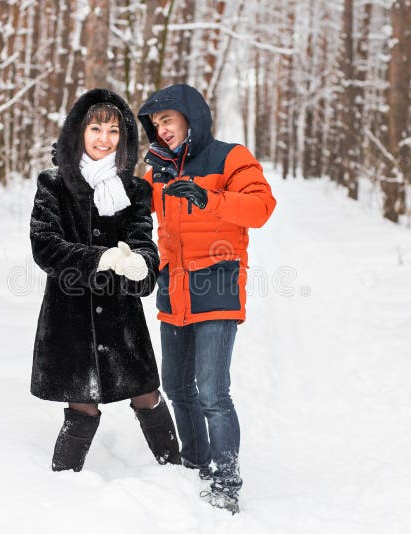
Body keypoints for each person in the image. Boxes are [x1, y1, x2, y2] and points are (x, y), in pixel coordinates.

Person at [137, 84, 276, 513]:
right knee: (178, 386)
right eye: (155, 125)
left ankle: (226, 478)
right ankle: (195, 463)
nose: (161, 131)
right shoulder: (156, 170)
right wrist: (76, 168)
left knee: (213, 390)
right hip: (173, 287)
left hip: (216, 283)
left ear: (190, 117)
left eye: (168, 120)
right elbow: (120, 205)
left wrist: (209, 198)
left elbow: (261, 207)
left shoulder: (229, 157)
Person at [30, 88, 181, 472]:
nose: (103, 138)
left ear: (124, 137)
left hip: (121, 318)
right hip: (70, 319)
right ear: (78, 132)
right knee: (82, 403)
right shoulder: (54, 185)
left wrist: (141, 267)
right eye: (95, 128)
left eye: (113, 131)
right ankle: (61, 480)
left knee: (147, 395)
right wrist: (101, 259)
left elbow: (144, 244)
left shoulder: (133, 190)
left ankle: (174, 470)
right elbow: (45, 247)